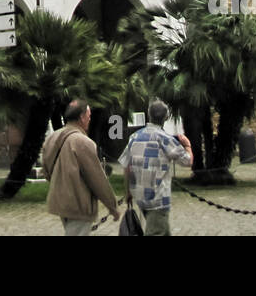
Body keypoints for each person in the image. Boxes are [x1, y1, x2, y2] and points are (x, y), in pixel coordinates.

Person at [41, 98, 121, 235]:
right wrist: (112, 206)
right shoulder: (83, 142)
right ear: (82, 117)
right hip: (79, 204)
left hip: (61, 202)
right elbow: (97, 179)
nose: (90, 119)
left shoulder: (52, 138)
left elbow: (46, 171)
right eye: (89, 116)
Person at [119, 100, 192, 235]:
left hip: (140, 196)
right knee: (156, 231)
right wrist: (187, 146)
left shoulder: (134, 137)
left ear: (149, 115)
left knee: (162, 230)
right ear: (166, 117)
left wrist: (128, 191)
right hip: (158, 199)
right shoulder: (165, 139)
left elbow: (126, 165)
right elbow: (187, 161)